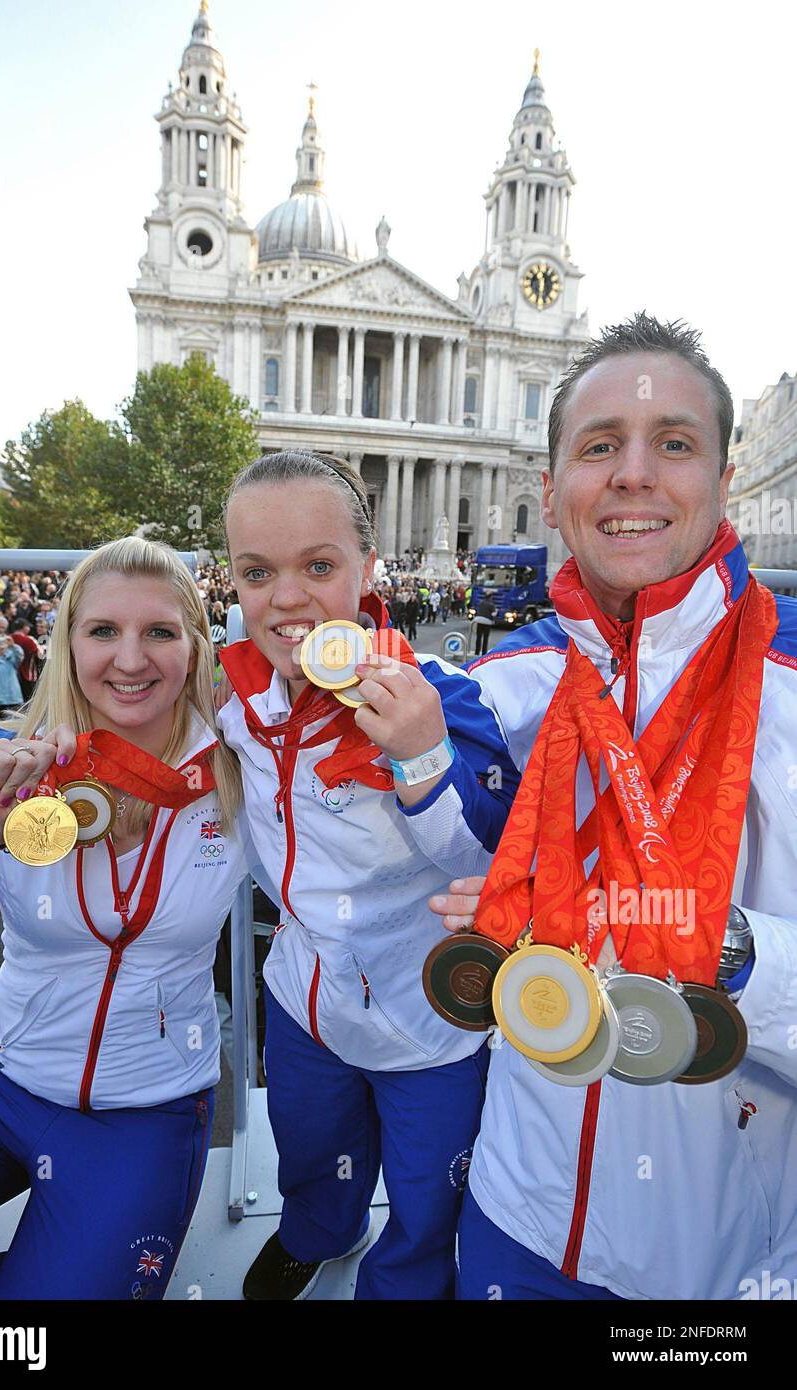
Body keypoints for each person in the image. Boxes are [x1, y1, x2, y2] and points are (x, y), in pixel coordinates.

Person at [429, 312, 797, 1300]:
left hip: (714, 1256)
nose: (632, 473)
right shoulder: (505, 679)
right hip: (517, 1208)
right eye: (599, 447)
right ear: (550, 495)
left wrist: (714, 947)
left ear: (723, 484)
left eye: (671, 443)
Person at [0, 537, 249, 1300]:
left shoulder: (245, 770)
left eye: (159, 631)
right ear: (67, 642)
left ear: (195, 647)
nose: (130, 659)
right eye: (102, 631)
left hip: (145, 1112)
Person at [219, 450, 519, 1301]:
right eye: (256, 571)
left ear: (368, 569)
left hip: (433, 1012)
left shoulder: (444, 695)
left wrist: (423, 756)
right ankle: (318, 1233)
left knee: (429, 1192)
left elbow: (495, 871)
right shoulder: (231, 692)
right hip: (305, 996)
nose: (285, 598)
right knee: (311, 1149)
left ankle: (404, 1285)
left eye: (319, 566)